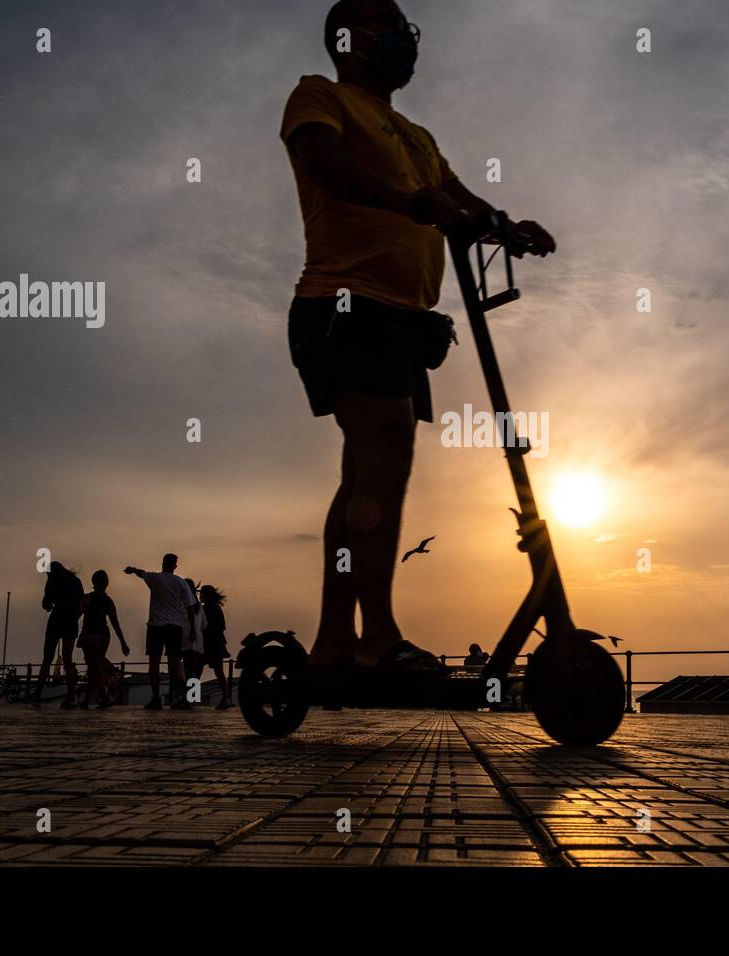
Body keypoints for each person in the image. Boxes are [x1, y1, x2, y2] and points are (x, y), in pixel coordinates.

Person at [282, 0, 555, 675]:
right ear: (349, 40)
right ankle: (376, 636)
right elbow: (323, 164)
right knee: (384, 459)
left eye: (406, 29)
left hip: (405, 319)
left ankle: (334, 646)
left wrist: (504, 225)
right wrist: (413, 203)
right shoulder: (319, 97)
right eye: (389, 26)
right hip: (347, 304)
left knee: (362, 477)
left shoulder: (417, 136)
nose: (404, 39)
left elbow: (459, 198)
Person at [124, 554, 196, 710]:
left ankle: (157, 697)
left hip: (157, 626)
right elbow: (190, 609)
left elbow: (141, 572)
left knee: (155, 663)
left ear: (163, 563)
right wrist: (193, 629)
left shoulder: (155, 578)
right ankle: (188, 697)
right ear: (175, 566)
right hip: (178, 630)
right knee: (178, 665)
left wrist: (132, 569)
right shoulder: (181, 583)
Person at [34, 562, 84, 708]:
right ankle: (71, 696)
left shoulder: (52, 581)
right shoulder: (75, 581)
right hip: (70, 619)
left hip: (56, 618)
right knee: (68, 659)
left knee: (47, 659)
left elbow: (46, 605)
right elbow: (81, 604)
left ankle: (37, 693)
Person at [77, 570, 129, 709]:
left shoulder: (87, 598)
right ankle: (92, 699)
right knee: (94, 668)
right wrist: (123, 642)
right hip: (104, 636)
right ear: (106, 583)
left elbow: (77, 613)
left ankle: (103, 693)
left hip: (89, 635)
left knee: (93, 666)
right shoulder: (108, 601)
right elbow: (115, 623)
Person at [199, 585, 234, 710]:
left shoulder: (203, 610)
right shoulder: (217, 609)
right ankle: (226, 698)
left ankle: (191, 699)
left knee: (196, 671)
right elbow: (222, 627)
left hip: (206, 643)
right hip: (217, 643)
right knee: (219, 672)